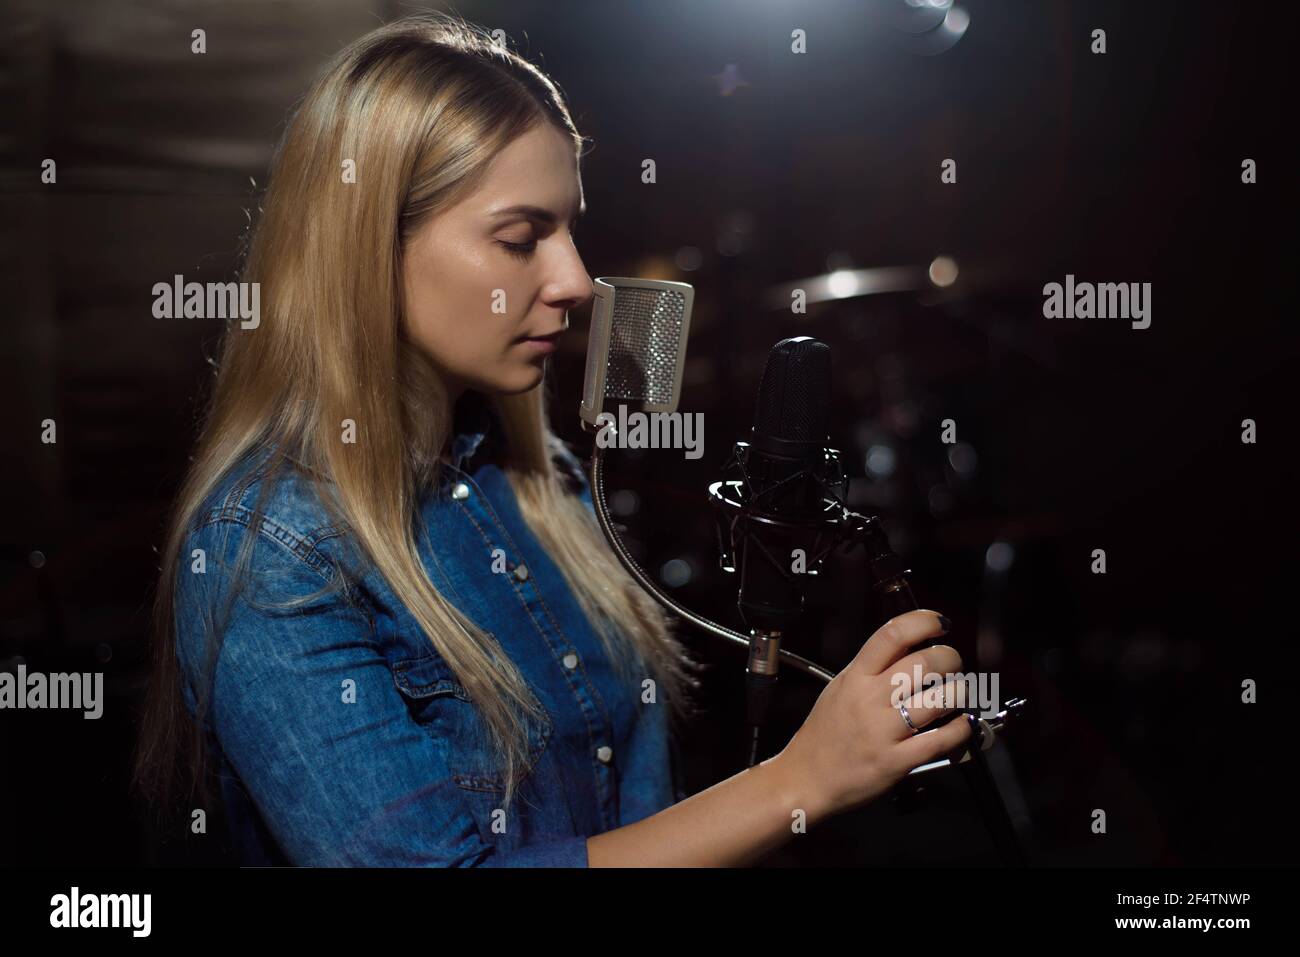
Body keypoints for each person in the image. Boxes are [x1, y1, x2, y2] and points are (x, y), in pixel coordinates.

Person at [132, 13, 972, 867]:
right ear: (368, 246)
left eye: (569, 229)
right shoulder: (271, 553)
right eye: (520, 238)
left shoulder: (539, 475)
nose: (574, 280)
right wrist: (798, 782)